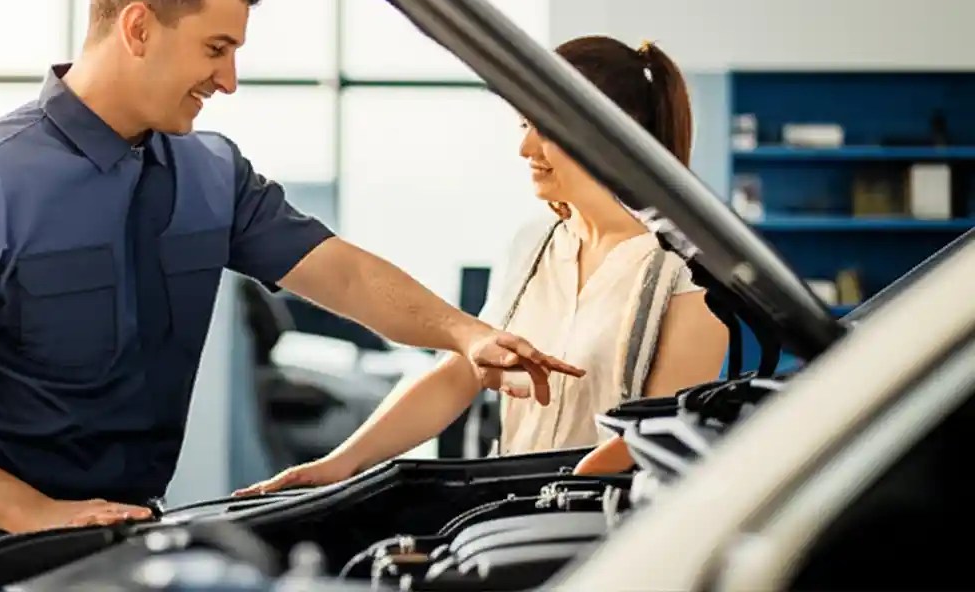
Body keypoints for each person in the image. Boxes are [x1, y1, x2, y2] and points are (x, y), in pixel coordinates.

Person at [0, 0, 580, 573]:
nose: (230, 79)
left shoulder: (210, 172)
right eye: (216, 48)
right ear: (140, 27)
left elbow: (341, 273)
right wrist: (32, 513)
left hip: (132, 541)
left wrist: (465, 333)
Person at [234, 35, 729, 496]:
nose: (525, 149)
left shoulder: (684, 271)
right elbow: (459, 373)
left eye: (545, 129)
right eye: (523, 125)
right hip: (517, 507)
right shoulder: (533, 244)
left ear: (611, 134)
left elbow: (657, 437)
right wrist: (345, 463)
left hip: (603, 519)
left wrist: (564, 491)